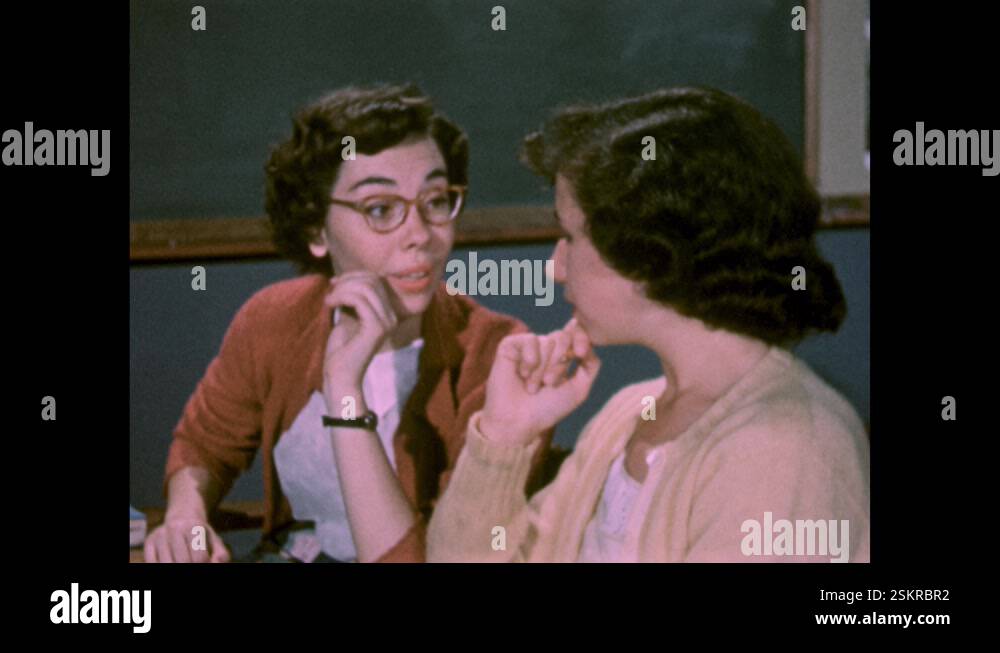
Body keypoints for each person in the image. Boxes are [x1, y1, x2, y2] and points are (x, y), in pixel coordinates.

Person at [426, 87, 870, 562]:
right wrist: (503, 436)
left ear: (648, 253)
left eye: (570, 236)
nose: (555, 266)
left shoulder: (787, 447)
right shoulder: (629, 413)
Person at [144, 83, 556, 563]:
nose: (420, 235)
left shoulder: (499, 354)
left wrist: (345, 391)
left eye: (437, 200)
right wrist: (186, 519)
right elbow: (203, 446)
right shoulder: (273, 319)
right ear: (316, 230)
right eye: (381, 209)